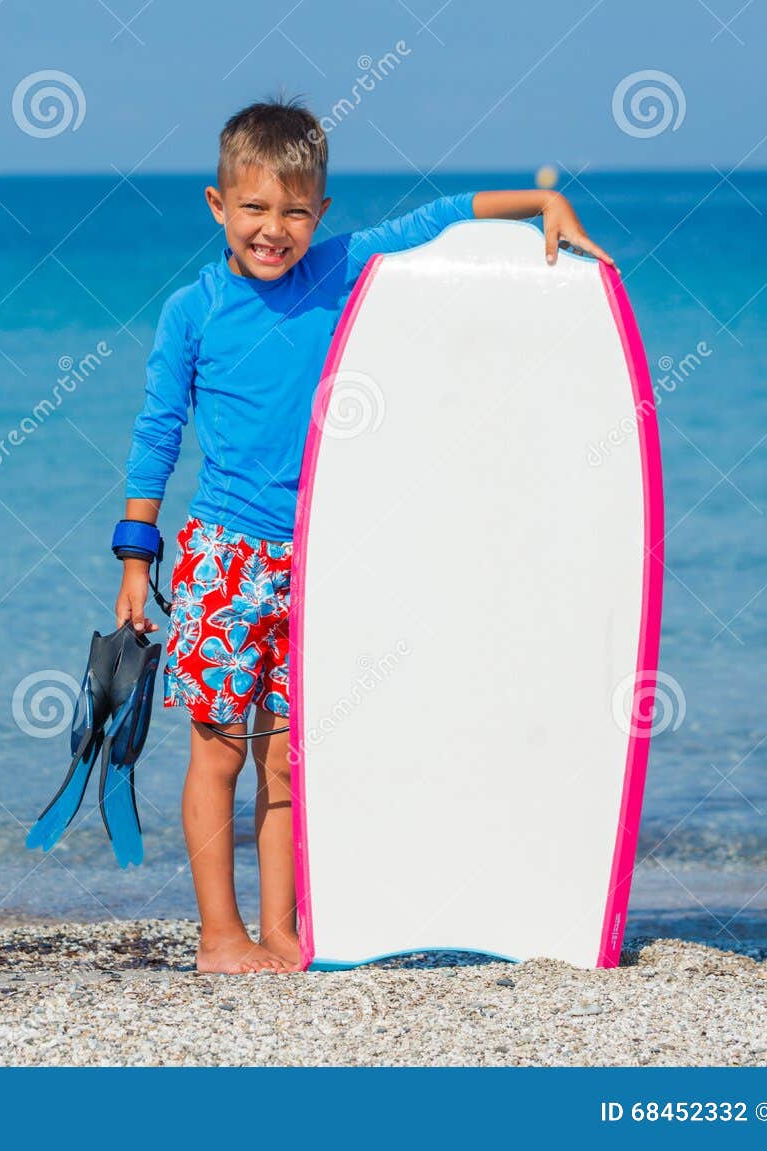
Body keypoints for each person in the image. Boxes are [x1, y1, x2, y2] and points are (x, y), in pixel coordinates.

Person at [115, 96, 613, 974]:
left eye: (296, 211)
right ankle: (218, 936)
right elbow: (158, 432)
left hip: (321, 557)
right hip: (226, 558)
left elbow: (434, 220)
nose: (275, 230)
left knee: (287, 765)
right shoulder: (190, 312)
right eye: (256, 209)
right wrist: (134, 557)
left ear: (322, 213)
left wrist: (539, 207)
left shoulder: (341, 268)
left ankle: (281, 932)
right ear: (217, 205)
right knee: (219, 752)